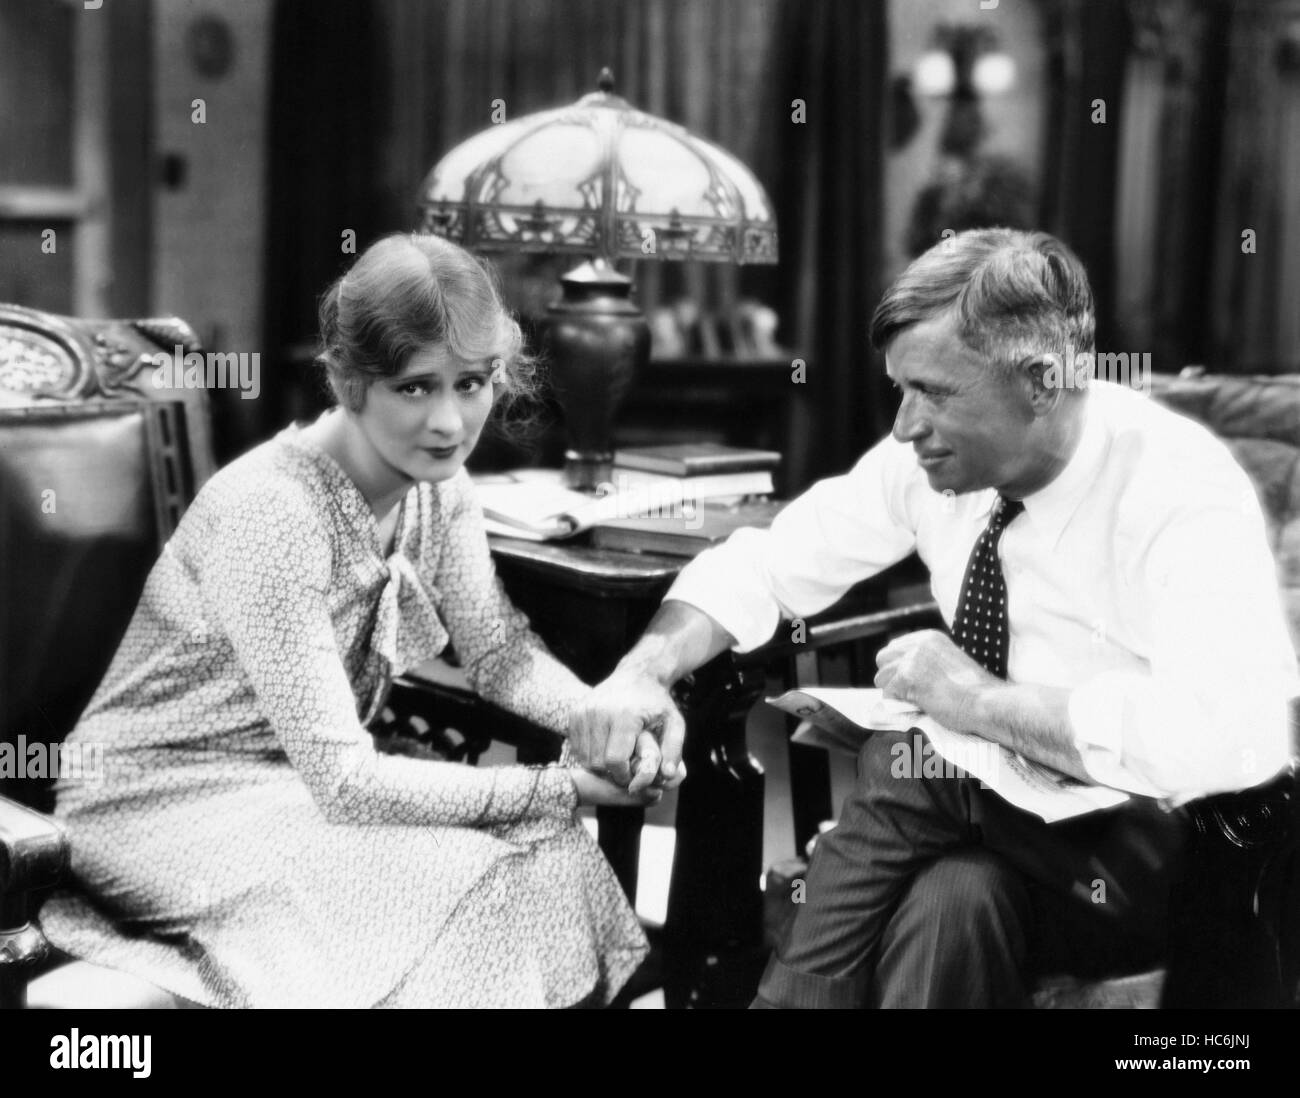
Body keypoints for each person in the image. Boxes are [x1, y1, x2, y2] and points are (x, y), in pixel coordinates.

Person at [570, 228, 1300, 1007]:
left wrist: (978, 706)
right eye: (901, 389)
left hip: (1189, 853)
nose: (904, 426)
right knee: (952, 902)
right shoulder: (929, 462)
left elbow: (1221, 741)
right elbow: (765, 562)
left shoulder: (1176, 487)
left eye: (937, 393)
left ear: (1043, 384)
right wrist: (639, 671)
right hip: (1014, 841)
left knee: (918, 762)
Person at [41, 232, 661, 1009]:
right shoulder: (273, 512)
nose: (448, 421)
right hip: (158, 800)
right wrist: (563, 784)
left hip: (295, 788)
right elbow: (346, 781)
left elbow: (498, 653)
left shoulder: (440, 487)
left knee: (552, 853)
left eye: (471, 383)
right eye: (414, 387)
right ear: (349, 378)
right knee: (474, 875)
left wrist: (606, 719)